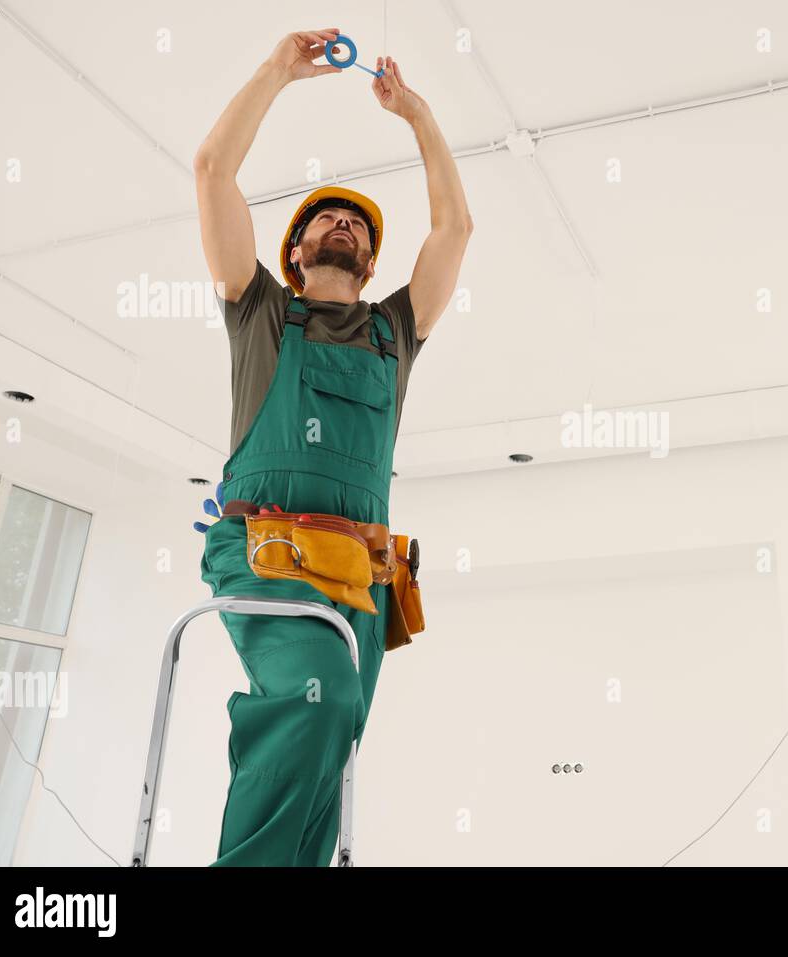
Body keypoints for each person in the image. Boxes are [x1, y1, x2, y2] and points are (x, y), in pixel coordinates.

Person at [191, 27, 472, 866]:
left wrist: (417, 115)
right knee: (317, 704)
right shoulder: (261, 310)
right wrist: (279, 69)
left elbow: (456, 228)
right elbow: (212, 170)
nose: (342, 224)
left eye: (356, 222)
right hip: (266, 552)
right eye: (326, 219)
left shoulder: (396, 332)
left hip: (365, 574)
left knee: (336, 733)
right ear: (296, 249)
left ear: (371, 254)